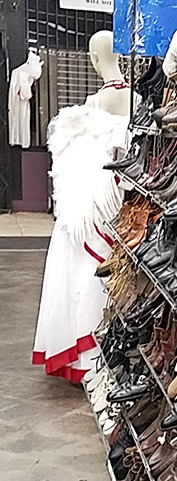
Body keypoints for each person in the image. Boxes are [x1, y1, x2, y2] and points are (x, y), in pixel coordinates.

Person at [32, 32, 130, 383]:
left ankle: (88, 356)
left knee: (84, 272)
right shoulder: (131, 96)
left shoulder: (99, 101)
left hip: (92, 198)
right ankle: (104, 351)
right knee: (106, 271)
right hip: (116, 196)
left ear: (91, 58)